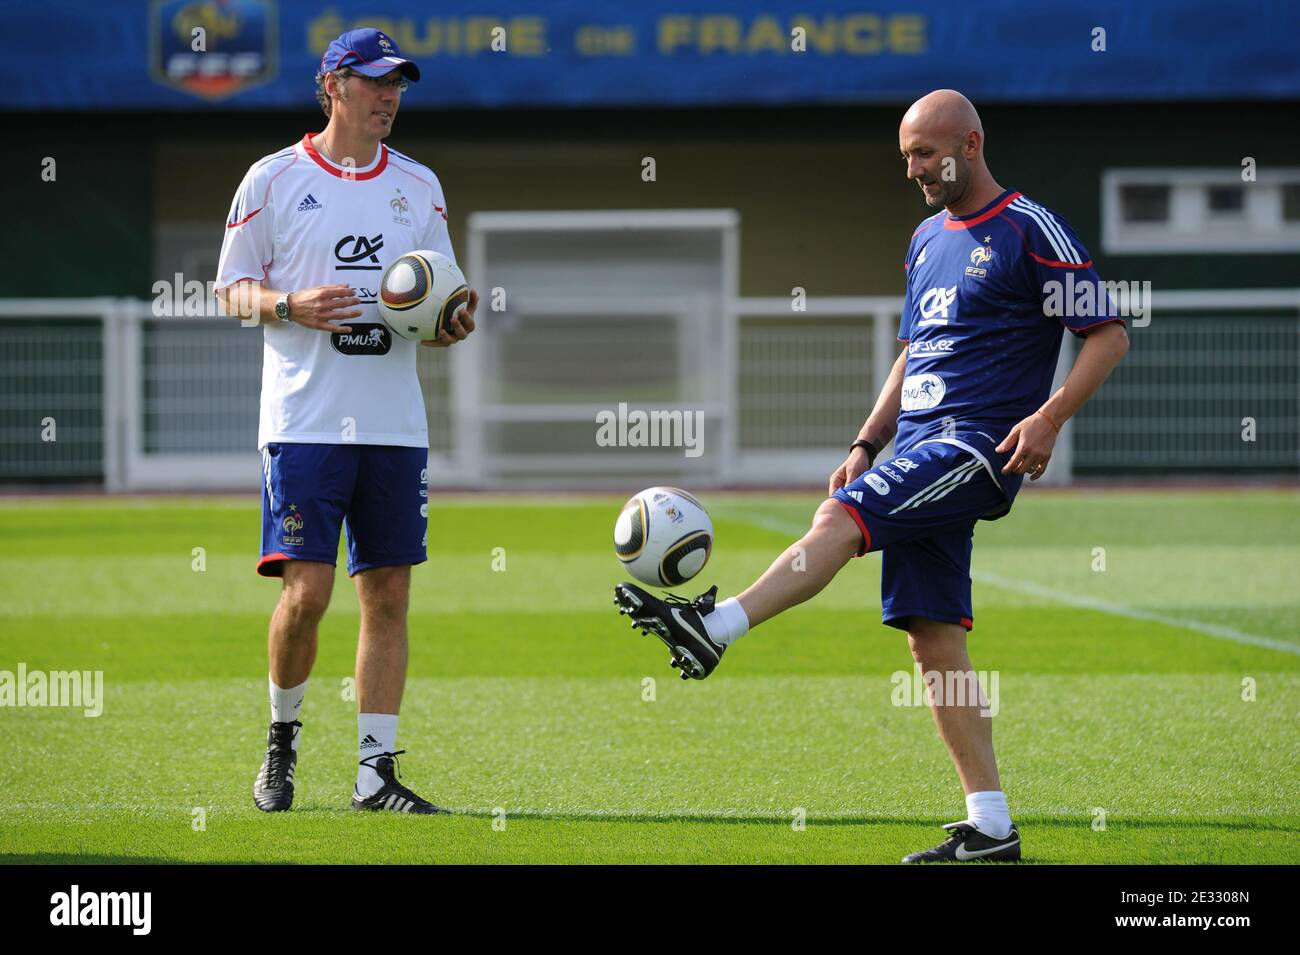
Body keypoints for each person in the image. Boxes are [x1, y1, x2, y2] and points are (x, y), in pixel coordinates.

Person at [613, 89, 1129, 862]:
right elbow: (913, 350)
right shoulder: (926, 239)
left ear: (972, 144)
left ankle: (713, 626)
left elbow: (1108, 333)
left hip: (974, 448)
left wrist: (1050, 416)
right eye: (906, 157)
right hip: (915, 444)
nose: (914, 169)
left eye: (925, 153)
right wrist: (866, 440)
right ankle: (991, 827)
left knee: (837, 523)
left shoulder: (1028, 229)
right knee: (932, 638)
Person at [214, 28, 478, 814]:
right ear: (332, 84)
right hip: (303, 424)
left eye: (398, 83)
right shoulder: (272, 179)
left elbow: (445, 299)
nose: (389, 95)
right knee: (307, 591)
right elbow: (229, 291)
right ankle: (281, 742)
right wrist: (289, 304)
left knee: (388, 594)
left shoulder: (420, 185)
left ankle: (375, 774)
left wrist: (452, 320)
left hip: (395, 425)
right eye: (374, 81)